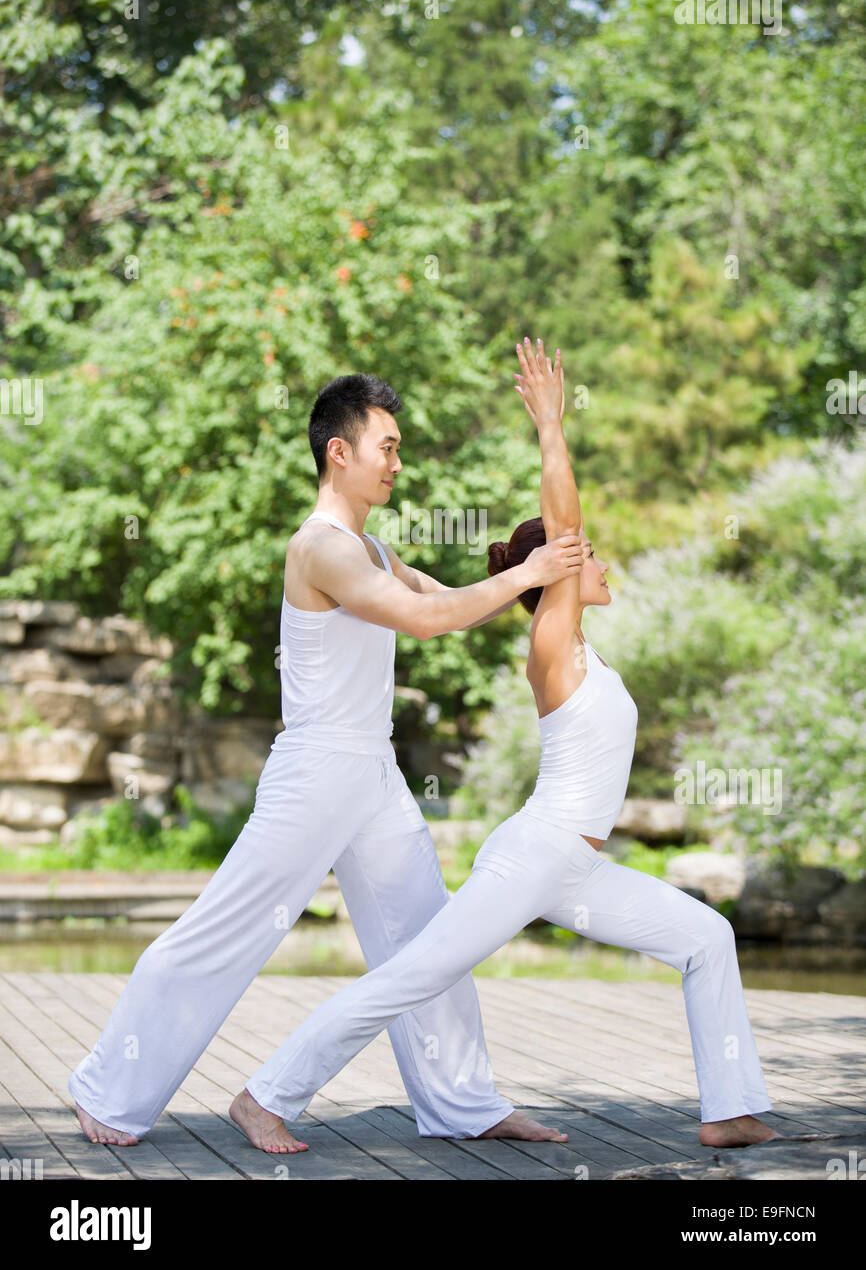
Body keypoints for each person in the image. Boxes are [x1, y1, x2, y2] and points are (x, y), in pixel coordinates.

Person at [231, 339, 780, 1155]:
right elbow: (564, 524)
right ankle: (264, 1094)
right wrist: (551, 429)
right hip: (532, 858)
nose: (597, 559)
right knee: (416, 975)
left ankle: (729, 1107)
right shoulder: (554, 646)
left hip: (578, 871)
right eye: (583, 555)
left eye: (587, 554)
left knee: (708, 936)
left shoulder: (594, 657)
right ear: (554, 571)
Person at [70, 372, 585, 1148]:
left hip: (371, 773)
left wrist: (535, 579)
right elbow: (417, 617)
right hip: (313, 771)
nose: (397, 464)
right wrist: (526, 576)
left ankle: (465, 1104)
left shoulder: (372, 547)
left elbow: (447, 595)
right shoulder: (318, 548)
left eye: (399, 450)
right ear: (339, 451)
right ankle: (108, 1092)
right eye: (387, 447)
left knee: (426, 937)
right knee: (226, 930)